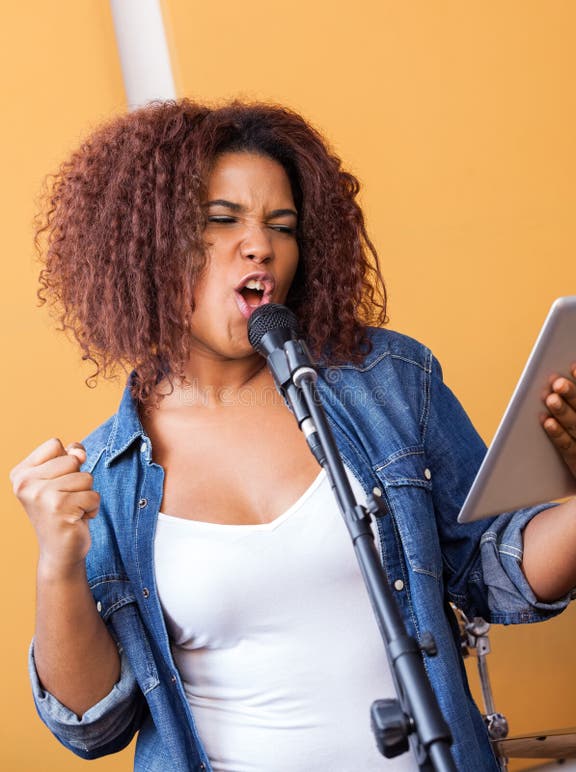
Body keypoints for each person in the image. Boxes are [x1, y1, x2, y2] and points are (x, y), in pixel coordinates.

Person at [10, 99, 576, 772]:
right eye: (222, 220)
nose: (261, 246)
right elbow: (93, 725)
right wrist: (59, 564)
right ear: (148, 244)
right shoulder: (105, 474)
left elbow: (490, 572)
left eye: (283, 225)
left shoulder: (387, 382)